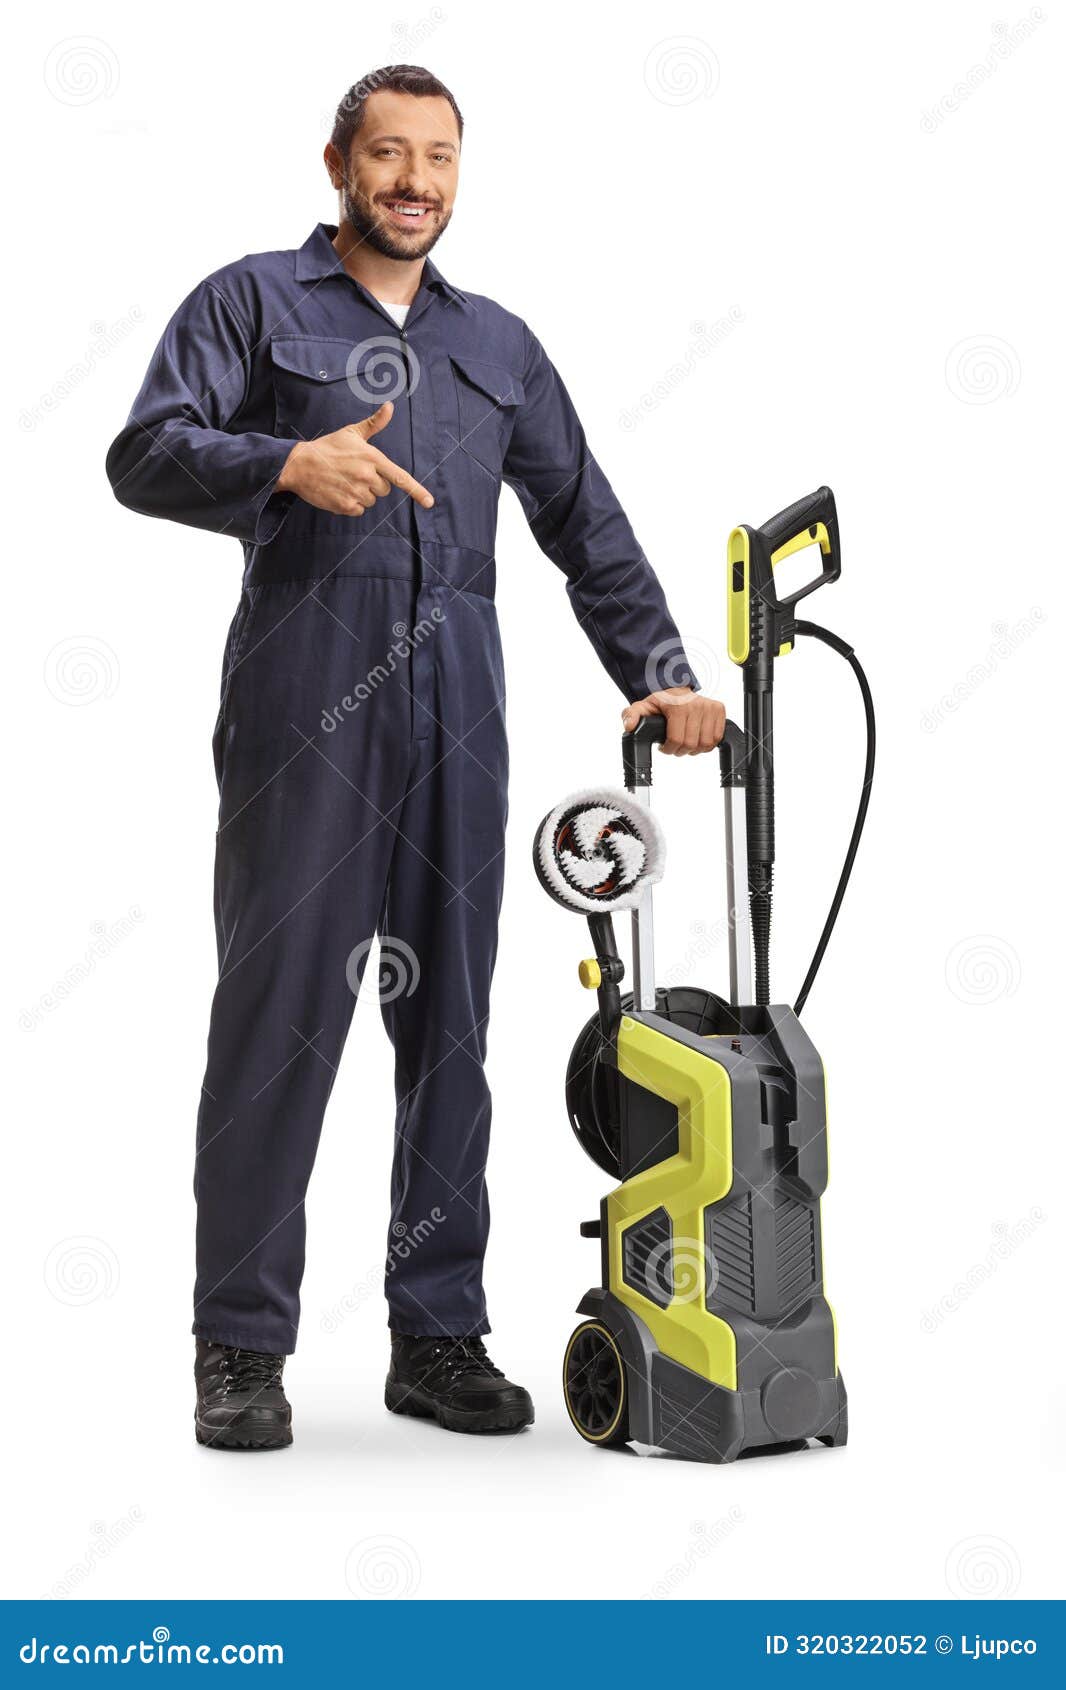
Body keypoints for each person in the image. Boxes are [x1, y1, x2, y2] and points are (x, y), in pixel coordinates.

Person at [106, 64, 725, 1451]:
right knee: (279, 1023)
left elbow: (585, 522)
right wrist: (280, 464)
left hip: (462, 701)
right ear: (338, 159)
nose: (414, 182)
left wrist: (665, 673)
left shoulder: (497, 343)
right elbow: (142, 451)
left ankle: (437, 1333)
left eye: (437, 158)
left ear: (459, 173)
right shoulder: (251, 302)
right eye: (387, 154)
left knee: (449, 1016)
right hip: (303, 703)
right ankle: (240, 1345)